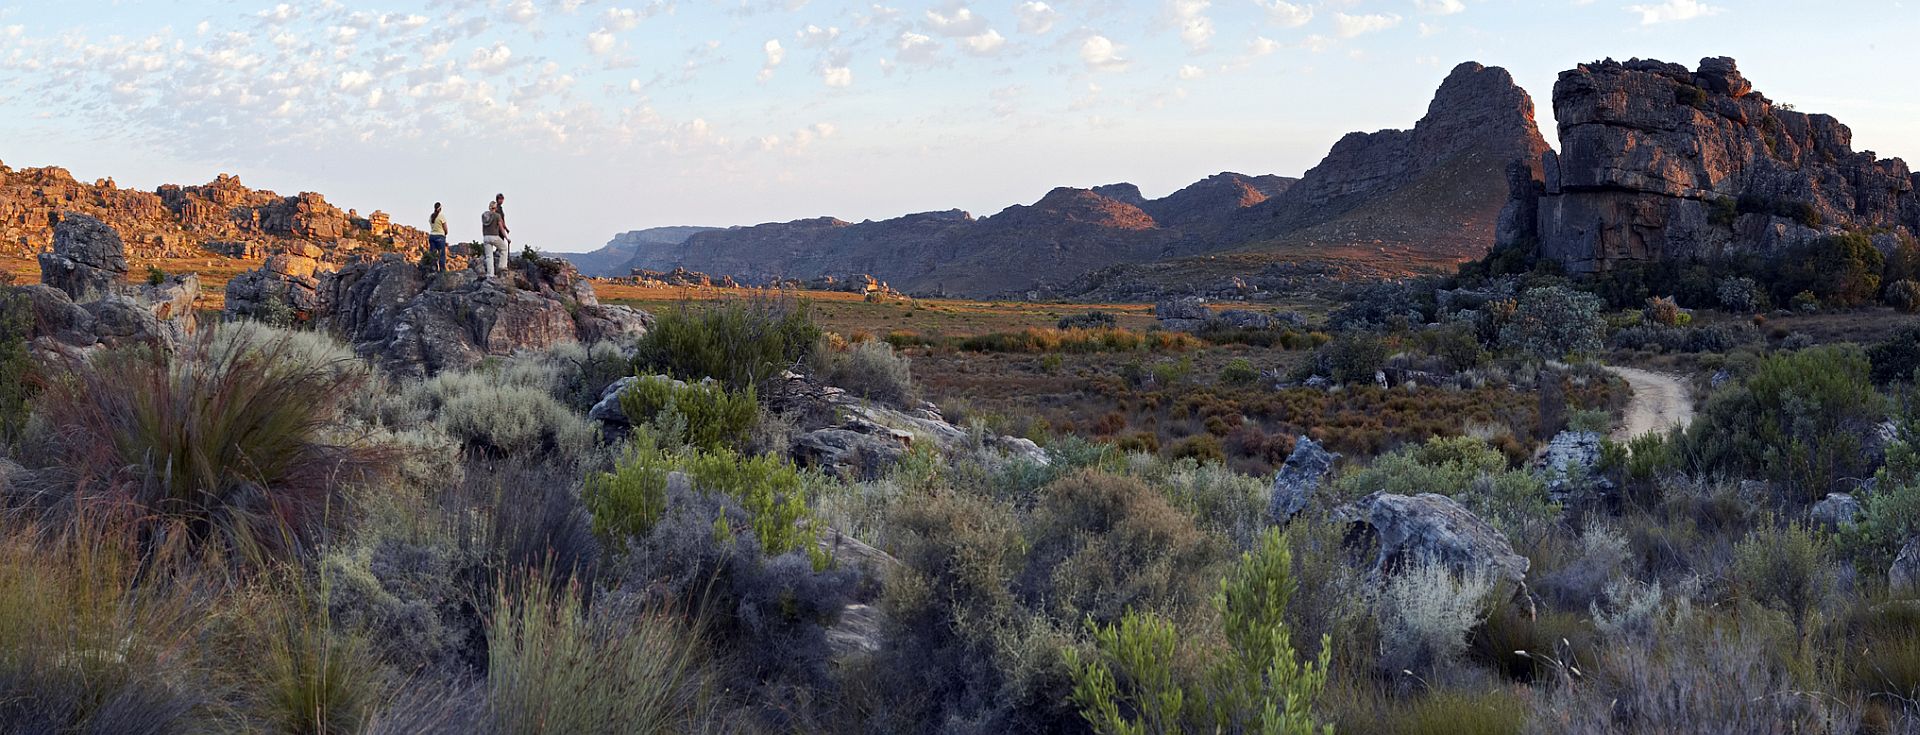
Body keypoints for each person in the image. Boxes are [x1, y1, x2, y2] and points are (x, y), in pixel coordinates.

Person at [481, 200, 508, 278]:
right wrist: (506, 238)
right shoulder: (497, 216)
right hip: (494, 236)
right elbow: (501, 228)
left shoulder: (484, 216)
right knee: (504, 249)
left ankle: (490, 274)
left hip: (486, 237)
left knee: (489, 256)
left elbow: (483, 227)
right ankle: (502, 266)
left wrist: (484, 235)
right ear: (495, 208)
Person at [427, 202, 448, 274]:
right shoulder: (441, 216)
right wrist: (445, 233)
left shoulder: (431, 216)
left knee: (433, 255)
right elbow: (445, 228)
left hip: (432, 236)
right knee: (441, 255)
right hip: (440, 236)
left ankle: (433, 270)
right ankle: (442, 272)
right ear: (440, 208)